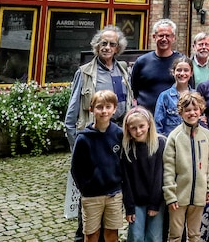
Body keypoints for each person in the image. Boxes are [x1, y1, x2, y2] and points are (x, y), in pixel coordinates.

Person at [65, 26, 132, 242]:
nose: (107, 47)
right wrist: (81, 146)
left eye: (112, 44)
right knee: (89, 208)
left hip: (115, 136)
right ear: (96, 46)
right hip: (93, 137)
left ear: (118, 48)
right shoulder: (84, 72)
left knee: (112, 200)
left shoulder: (122, 70)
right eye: (103, 43)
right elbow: (71, 116)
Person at [71, 90, 126, 242]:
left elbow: (123, 162)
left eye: (108, 107)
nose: (104, 111)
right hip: (92, 196)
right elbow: (76, 169)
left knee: (111, 235)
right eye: (99, 107)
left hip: (114, 194)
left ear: (114, 109)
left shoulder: (119, 134)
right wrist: (86, 188)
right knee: (91, 235)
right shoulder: (83, 138)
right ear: (92, 109)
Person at [164, 92, 209, 242]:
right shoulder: (175, 136)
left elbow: (208, 164)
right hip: (179, 196)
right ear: (181, 112)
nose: (192, 113)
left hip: (199, 194)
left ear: (201, 110)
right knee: (175, 235)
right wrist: (170, 195)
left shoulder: (207, 135)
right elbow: (168, 167)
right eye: (187, 110)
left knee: (194, 235)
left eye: (195, 109)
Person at [121, 107, 166, 242]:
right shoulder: (127, 148)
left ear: (149, 124)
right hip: (136, 201)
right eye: (133, 128)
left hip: (156, 199)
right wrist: (129, 207)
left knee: (154, 236)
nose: (138, 131)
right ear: (128, 128)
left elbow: (160, 175)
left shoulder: (160, 143)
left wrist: (154, 204)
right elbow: (125, 180)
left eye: (141, 126)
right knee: (136, 236)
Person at [132, 19, 185, 113]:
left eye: (168, 36)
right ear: (154, 37)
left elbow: (188, 88)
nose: (164, 39)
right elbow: (133, 89)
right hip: (146, 117)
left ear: (174, 38)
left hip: (173, 117)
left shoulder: (181, 62)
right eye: (161, 35)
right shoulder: (142, 62)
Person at [155, 56, 197, 136]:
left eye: (186, 70)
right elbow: (158, 125)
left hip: (190, 142)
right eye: (179, 70)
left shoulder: (196, 96)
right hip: (170, 143)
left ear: (191, 73)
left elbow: (200, 121)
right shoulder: (165, 96)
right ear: (173, 72)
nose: (182, 73)